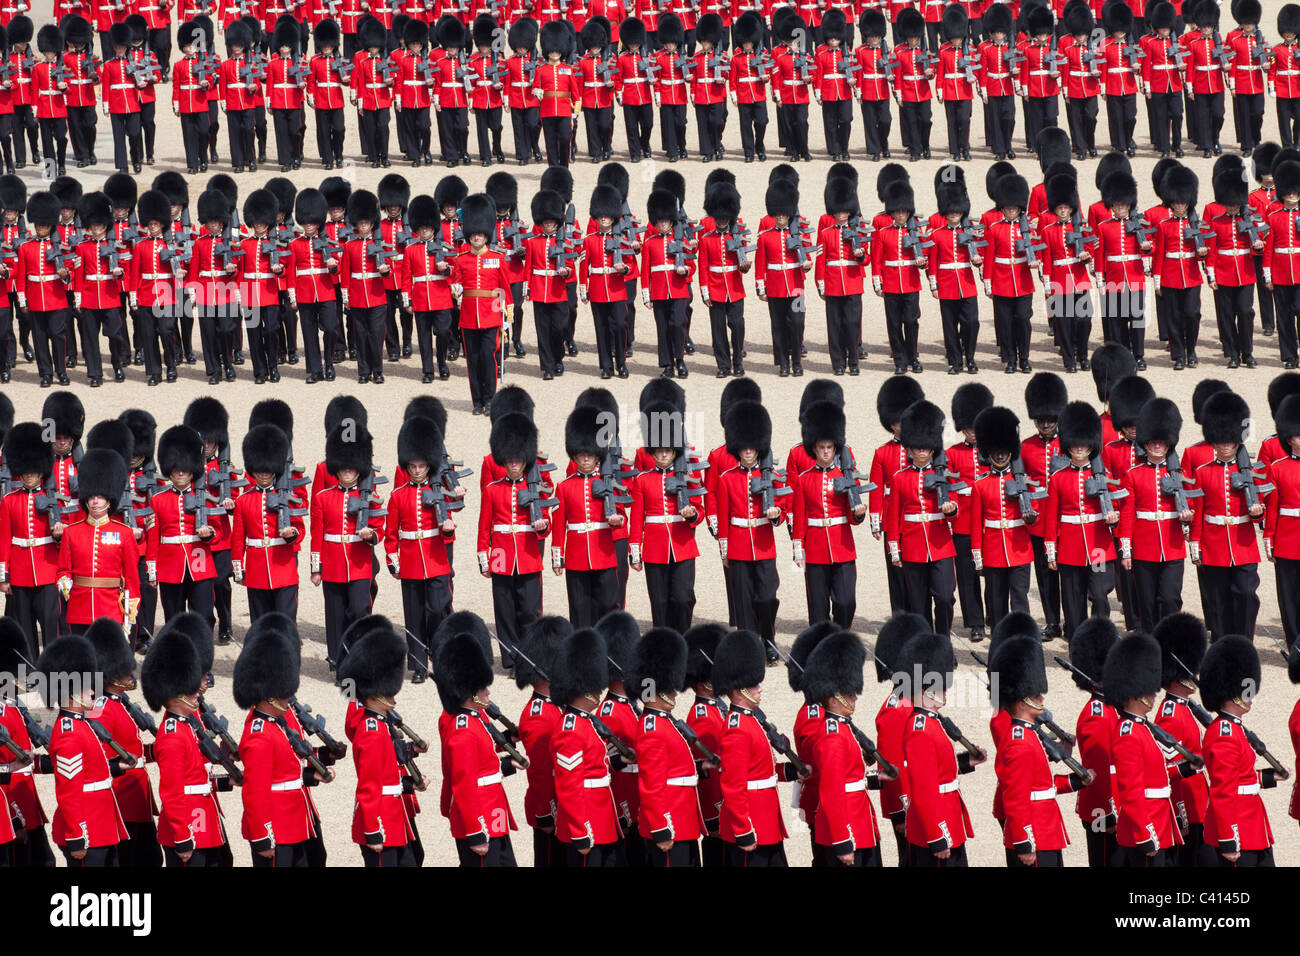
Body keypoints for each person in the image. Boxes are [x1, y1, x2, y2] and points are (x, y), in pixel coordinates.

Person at [233, 619, 333, 867]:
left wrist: (321, 759)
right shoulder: (259, 733)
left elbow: (288, 762)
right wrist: (262, 837)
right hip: (278, 826)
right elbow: (255, 792)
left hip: (297, 818)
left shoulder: (277, 718)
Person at [991, 635, 1092, 867]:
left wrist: (1075, 782)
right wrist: (1025, 843)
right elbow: (1017, 797)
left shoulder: (1028, 734)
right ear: (1022, 703)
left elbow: (1041, 784)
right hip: (1034, 833)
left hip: (1046, 829)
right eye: (1036, 695)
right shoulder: (1019, 741)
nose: (1042, 698)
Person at [141, 625, 232, 867]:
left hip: (203, 819)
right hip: (189, 828)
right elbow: (172, 794)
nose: (196, 693)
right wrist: (183, 839)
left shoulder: (187, 725)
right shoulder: (172, 736)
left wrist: (225, 780)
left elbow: (196, 776)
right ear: (173, 694)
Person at [713, 628, 803, 866]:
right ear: (738, 689)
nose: (759, 689)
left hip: (767, 823)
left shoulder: (751, 720)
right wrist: (743, 830)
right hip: (751, 825)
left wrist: (791, 772)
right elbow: (734, 784)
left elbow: (761, 771)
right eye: (753, 686)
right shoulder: (737, 727)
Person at [36, 634, 128, 867]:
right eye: (87, 686)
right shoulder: (69, 733)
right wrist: (77, 836)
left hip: (102, 823)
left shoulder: (81, 723)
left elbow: (88, 769)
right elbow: (69, 790)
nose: (93, 692)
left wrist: (114, 767)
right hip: (87, 829)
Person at [897, 631, 983, 866]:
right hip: (935, 829)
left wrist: (965, 763)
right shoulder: (920, 729)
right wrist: (937, 837)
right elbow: (924, 789)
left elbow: (936, 767)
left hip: (949, 822)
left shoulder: (931, 721)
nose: (945, 691)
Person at [1106, 632, 1189, 867]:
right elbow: (1131, 792)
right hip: (1146, 828)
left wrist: (1186, 768)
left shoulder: (1143, 727)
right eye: (1148, 689)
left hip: (1161, 823)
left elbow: (1157, 775)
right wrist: (1145, 834)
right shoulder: (1128, 733)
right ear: (1134, 692)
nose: (1154, 694)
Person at [1189, 390, 1266, 643]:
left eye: (1230, 440)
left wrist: (1257, 514)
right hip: (1214, 544)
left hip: (1243, 543)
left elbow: (1261, 509)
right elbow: (1198, 512)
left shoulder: (1251, 471)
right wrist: (1196, 544)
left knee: (1245, 593)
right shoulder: (1203, 472)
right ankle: (1223, 643)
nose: (1226, 444)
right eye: (1221, 440)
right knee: (1218, 599)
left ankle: (1244, 640)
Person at [84, 618, 160, 868]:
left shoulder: (120, 703)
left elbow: (132, 749)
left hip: (138, 800)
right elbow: (102, 759)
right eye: (125, 670)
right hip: (122, 801)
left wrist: (158, 750)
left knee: (150, 859)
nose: (130, 674)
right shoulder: (102, 708)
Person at [1201, 635, 1283, 866]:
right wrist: (1229, 840)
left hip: (1253, 827)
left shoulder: (1235, 729)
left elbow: (1240, 777)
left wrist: (1268, 776)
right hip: (1239, 835)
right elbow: (1223, 791)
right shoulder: (1223, 734)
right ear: (1232, 693)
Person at [549, 627, 624, 866]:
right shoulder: (570, 729)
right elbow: (569, 786)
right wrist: (580, 831)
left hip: (602, 818)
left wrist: (619, 761)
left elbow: (593, 765)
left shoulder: (587, 721)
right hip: (586, 822)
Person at [1044, 401, 1117, 642]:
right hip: (1071, 547)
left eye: (1084, 443)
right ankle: (1077, 640)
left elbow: (1116, 504)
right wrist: (1051, 551)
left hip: (1097, 546)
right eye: (1075, 443)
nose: (1079, 448)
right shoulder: (1057, 479)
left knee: (1098, 594)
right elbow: (1051, 517)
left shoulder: (1103, 475)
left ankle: (1102, 636)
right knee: (1073, 599)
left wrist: (1114, 516)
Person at [886, 401, 959, 636]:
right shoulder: (899, 478)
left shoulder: (944, 474)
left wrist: (951, 510)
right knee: (918, 604)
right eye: (917, 446)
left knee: (945, 596)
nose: (922, 450)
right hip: (912, 545)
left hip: (940, 544)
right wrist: (894, 549)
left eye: (926, 446)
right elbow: (893, 516)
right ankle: (926, 645)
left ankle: (943, 639)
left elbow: (956, 509)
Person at [56, 449, 140, 635]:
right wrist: (66, 584)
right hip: (79, 607)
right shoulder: (71, 532)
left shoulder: (123, 533)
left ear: (109, 500)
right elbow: (63, 568)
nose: (95, 502)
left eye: (100, 497)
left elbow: (131, 574)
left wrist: (131, 603)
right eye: (92, 497)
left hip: (111, 607)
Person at [232, 423, 303, 624]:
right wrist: (238, 568)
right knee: (260, 623)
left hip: (284, 567)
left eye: (268, 470)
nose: (264, 473)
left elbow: (300, 527)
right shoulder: (243, 500)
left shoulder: (288, 495)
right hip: (256, 570)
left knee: (286, 622)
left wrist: (293, 534)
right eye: (259, 470)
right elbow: (238, 537)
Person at [0, 423, 61, 656]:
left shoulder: (52, 498)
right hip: (20, 573)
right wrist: (3, 577)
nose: (29, 475)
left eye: (33, 471)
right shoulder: (9, 501)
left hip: (48, 570)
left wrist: (59, 532)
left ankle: (53, 669)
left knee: (50, 625)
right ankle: (31, 670)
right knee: (24, 628)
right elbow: (4, 540)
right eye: (26, 471)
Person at [148, 425, 218, 624]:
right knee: (174, 618)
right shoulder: (158, 500)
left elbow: (219, 532)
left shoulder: (204, 497)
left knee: (204, 615)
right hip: (170, 564)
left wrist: (209, 534)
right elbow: (154, 538)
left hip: (200, 559)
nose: (180, 472)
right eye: (176, 467)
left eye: (185, 468)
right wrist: (152, 570)